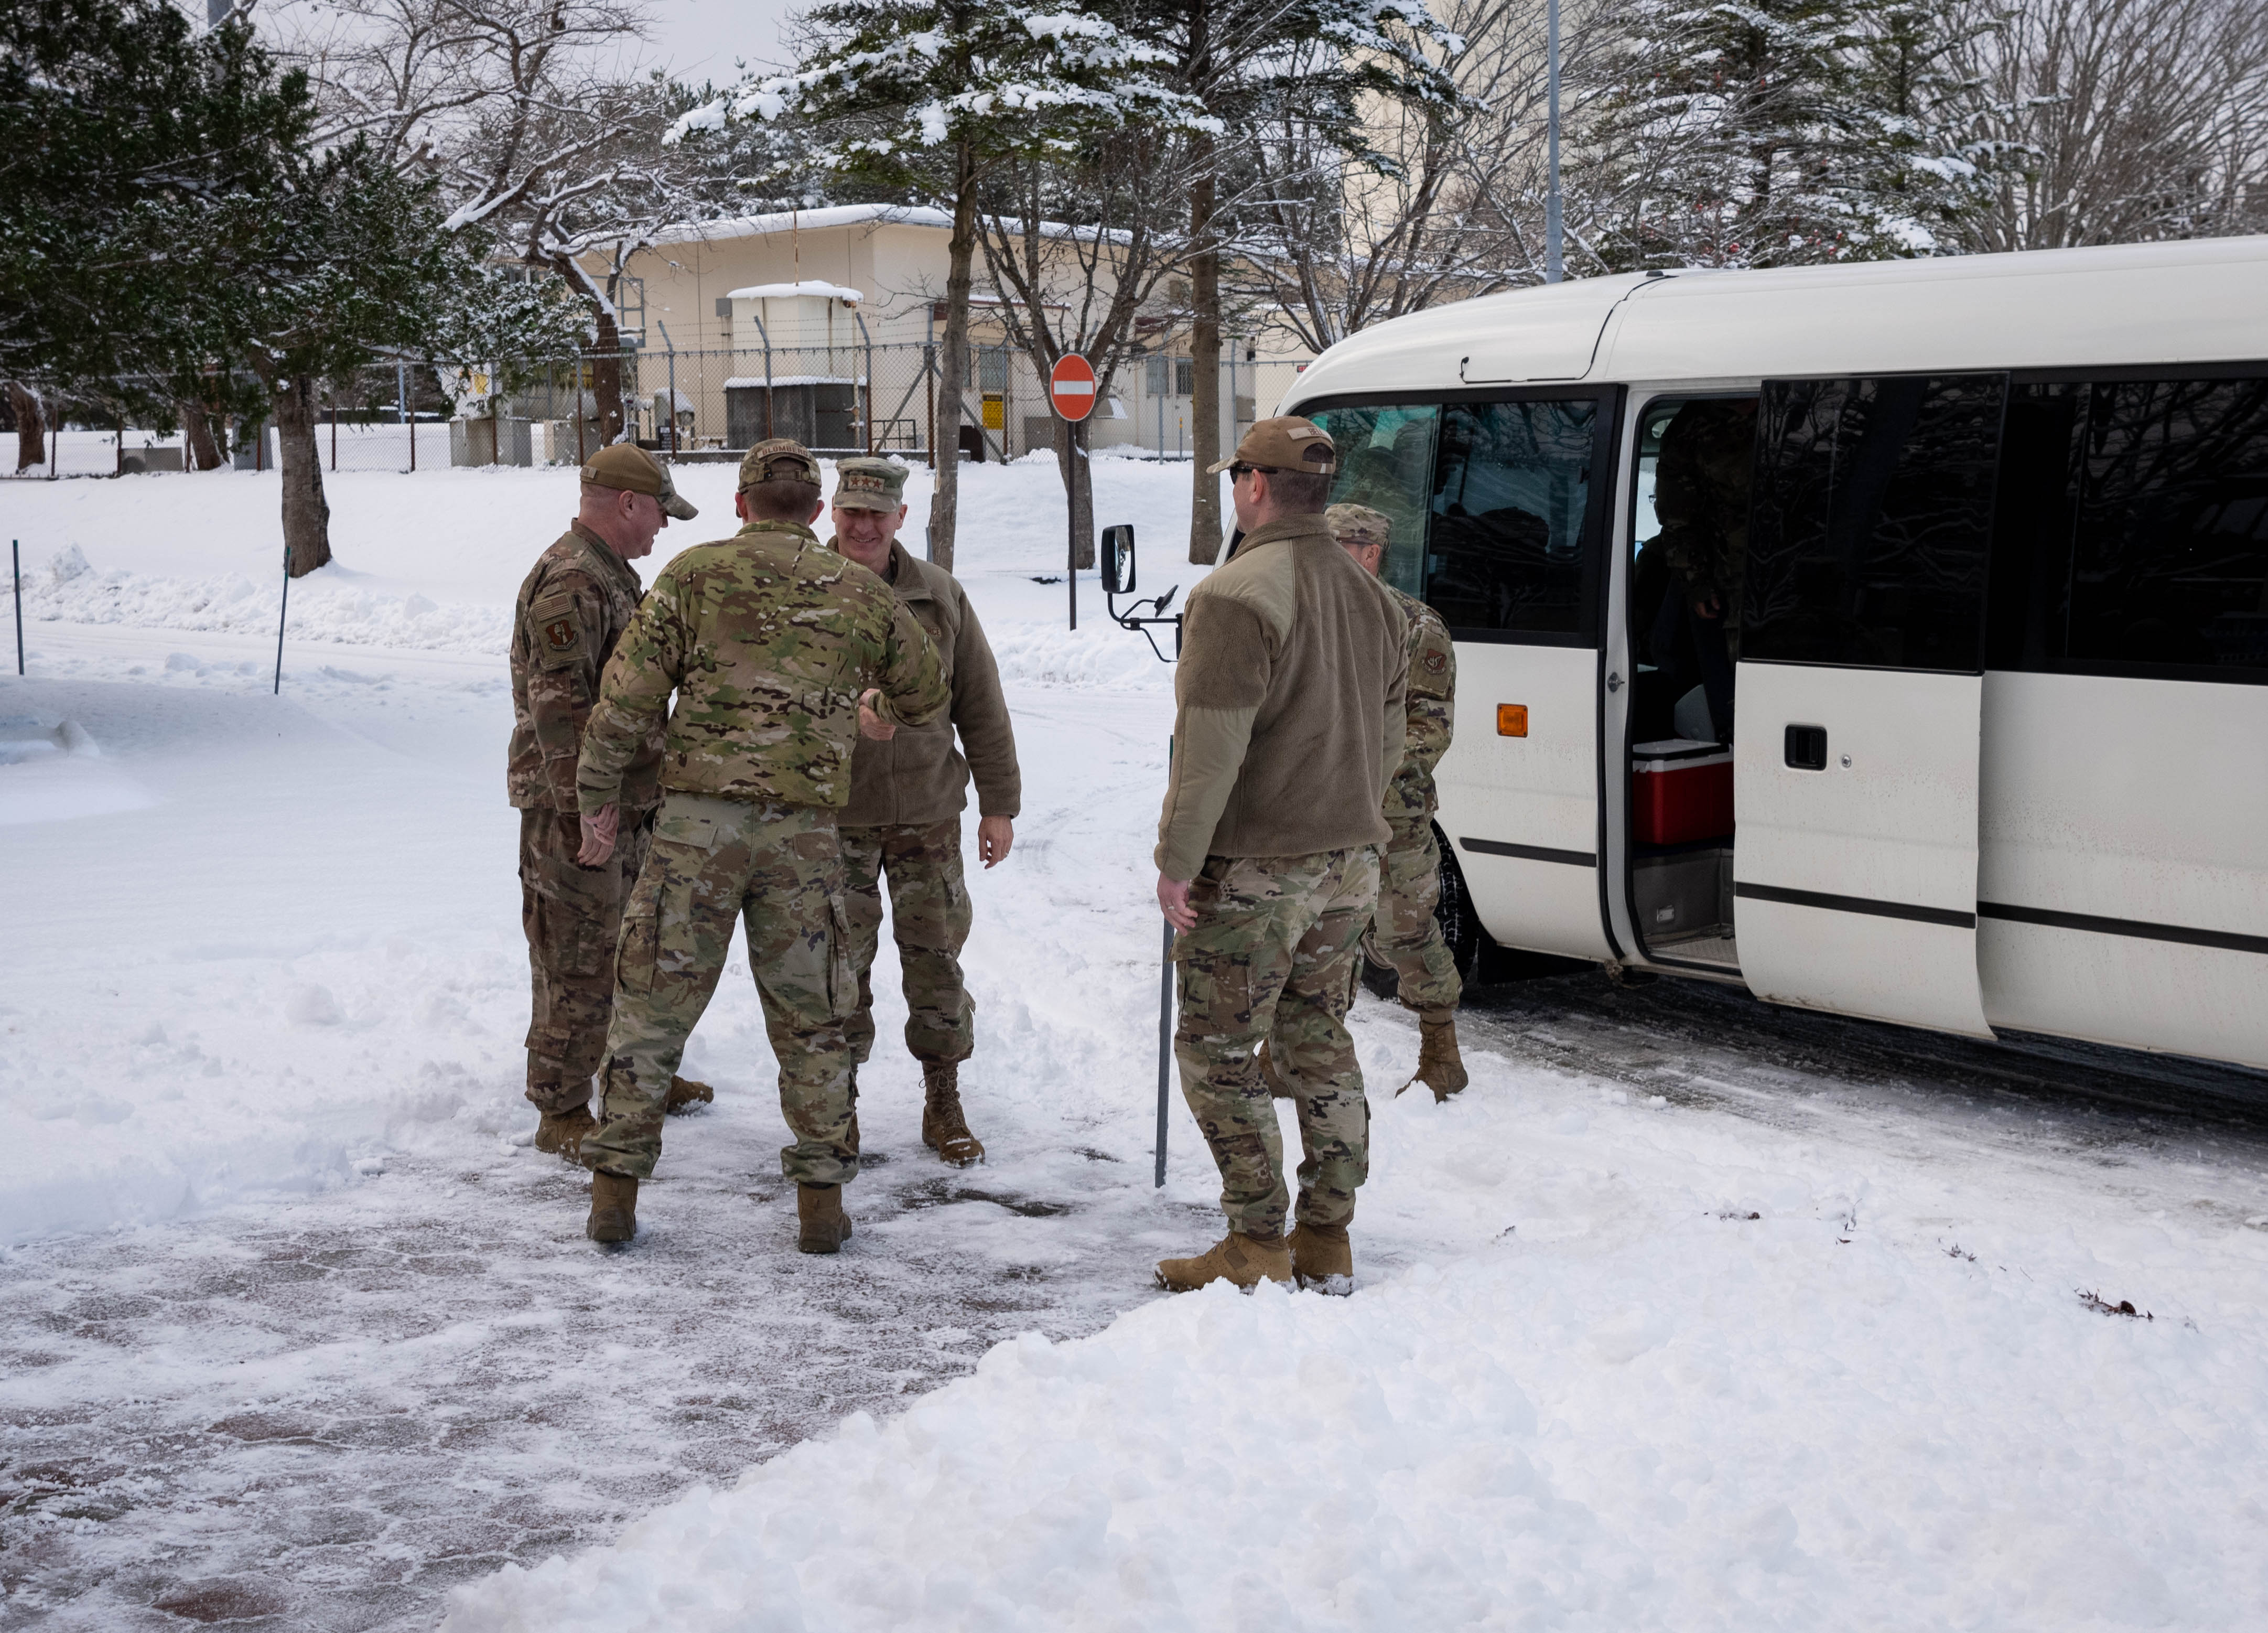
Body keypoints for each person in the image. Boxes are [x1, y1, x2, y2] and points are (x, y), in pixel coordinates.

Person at [570, 439, 950, 1251]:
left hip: (695, 829)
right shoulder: (859, 590)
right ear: (817, 511)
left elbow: (625, 699)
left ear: (741, 504)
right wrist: (869, 696)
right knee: (814, 1014)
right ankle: (820, 1202)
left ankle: (615, 1194)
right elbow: (927, 692)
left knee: (650, 1007)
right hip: (805, 836)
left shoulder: (691, 575)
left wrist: (596, 799)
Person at [1152, 417, 1409, 1295]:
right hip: (1349, 861)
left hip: (1261, 866)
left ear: (1255, 486)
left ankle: (1256, 1239)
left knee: (1220, 1051)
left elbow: (1209, 750)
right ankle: (1327, 1235)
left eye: (1236, 479)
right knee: (1318, 1034)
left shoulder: (1234, 594)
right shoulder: (1374, 595)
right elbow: (1392, 735)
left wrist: (1177, 859)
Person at [506, 444, 711, 1161]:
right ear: (628, 503)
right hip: (580, 814)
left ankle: (626, 1072)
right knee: (578, 956)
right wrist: (583, 811)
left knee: (629, 947)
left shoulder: (611, 575)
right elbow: (561, 713)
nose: (664, 527)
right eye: (660, 511)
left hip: (620, 805)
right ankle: (560, 1107)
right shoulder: (573, 582)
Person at [826, 456, 1021, 1167]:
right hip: (832, 816)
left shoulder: (939, 596)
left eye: (877, 513)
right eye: (852, 510)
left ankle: (943, 1098)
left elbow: (981, 703)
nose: (863, 524)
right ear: (831, 510)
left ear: (901, 519)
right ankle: (833, 1107)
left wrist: (998, 804)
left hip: (927, 812)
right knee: (834, 969)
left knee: (936, 962)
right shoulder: (800, 590)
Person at [1320, 502, 1467, 1099]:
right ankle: (1290, 1055)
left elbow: (1430, 728)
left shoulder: (1415, 626)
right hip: (1321, 814)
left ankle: (1442, 1050)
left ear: (1370, 553)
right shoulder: (1314, 617)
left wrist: (1365, 771)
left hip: (1392, 814)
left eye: (1338, 549)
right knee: (1320, 934)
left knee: (1405, 931)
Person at [1654, 399, 1757, 742]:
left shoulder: (1803, 406)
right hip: (1734, 581)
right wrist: (1696, 582)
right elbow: (1677, 515)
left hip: (1800, 577)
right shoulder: (1692, 428)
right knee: (1745, 696)